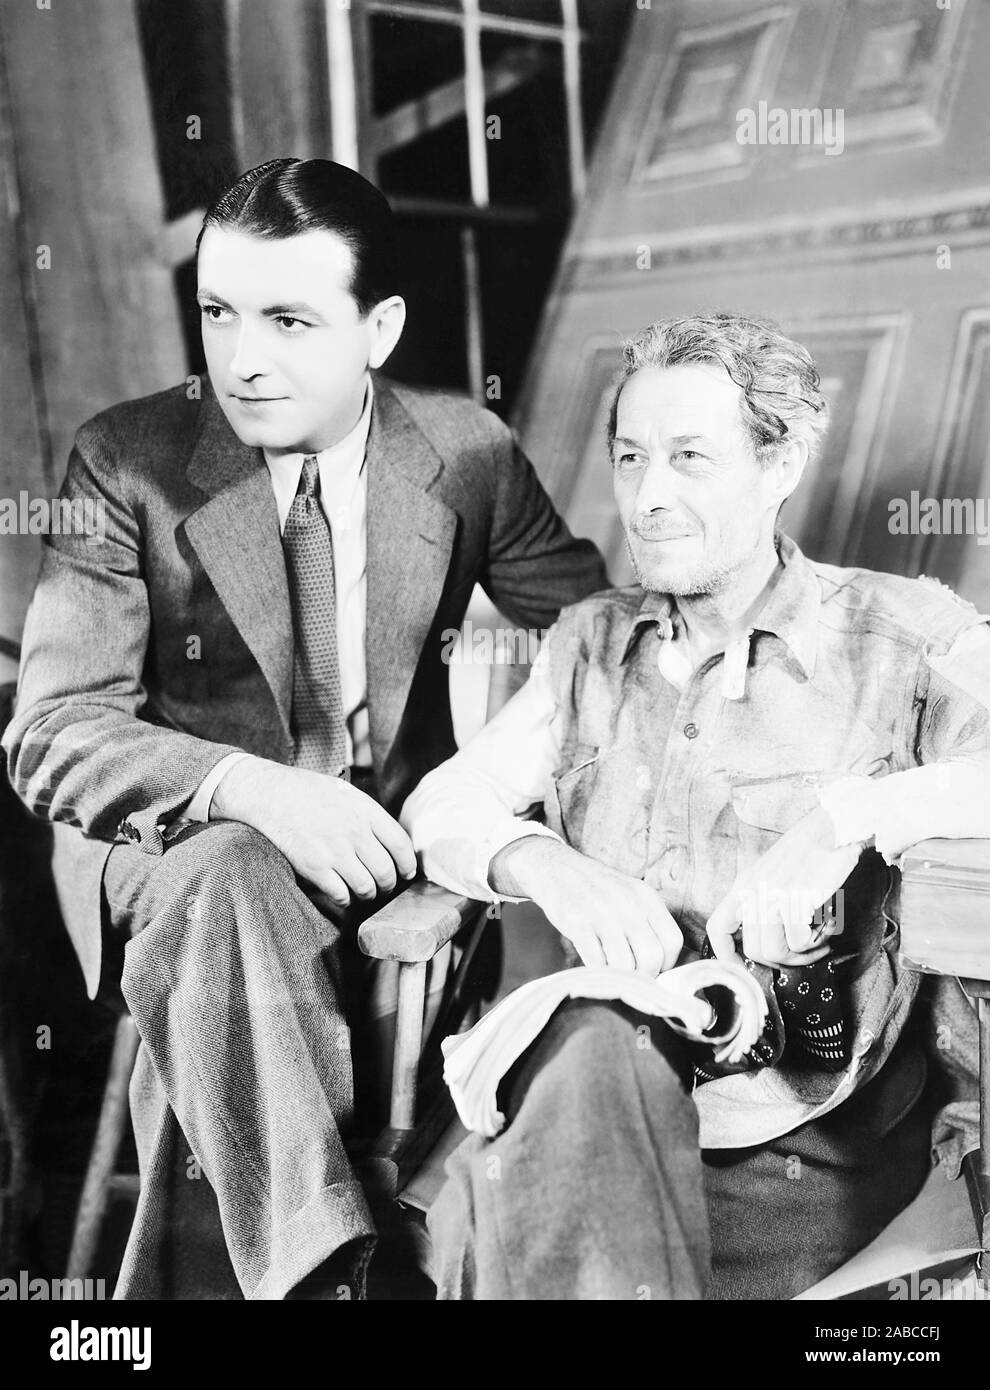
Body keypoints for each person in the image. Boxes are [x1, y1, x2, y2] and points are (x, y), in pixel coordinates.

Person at [1, 157, 607, 1299]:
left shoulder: (464, 453)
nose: (241, 358)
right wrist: (253, 786)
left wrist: (503, 802)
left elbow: (596, 634)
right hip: (171, 850)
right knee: (230, 877)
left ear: (380, 328)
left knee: (214, 1004)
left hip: (384, 854)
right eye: (219, 313)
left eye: (288, 319)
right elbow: (53, 730)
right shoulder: (129, 461)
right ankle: (329, 1272)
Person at [401, 311, 990, 1300]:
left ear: (783, 463)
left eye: (690, 458)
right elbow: (444, 803)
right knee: (581, 1060)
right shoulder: (589, 642)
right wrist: (542, 860)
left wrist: (844, 820)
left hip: (797, 1158)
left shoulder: (903, 633)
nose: (650, 497)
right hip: (604, 1116)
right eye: (632, 458)